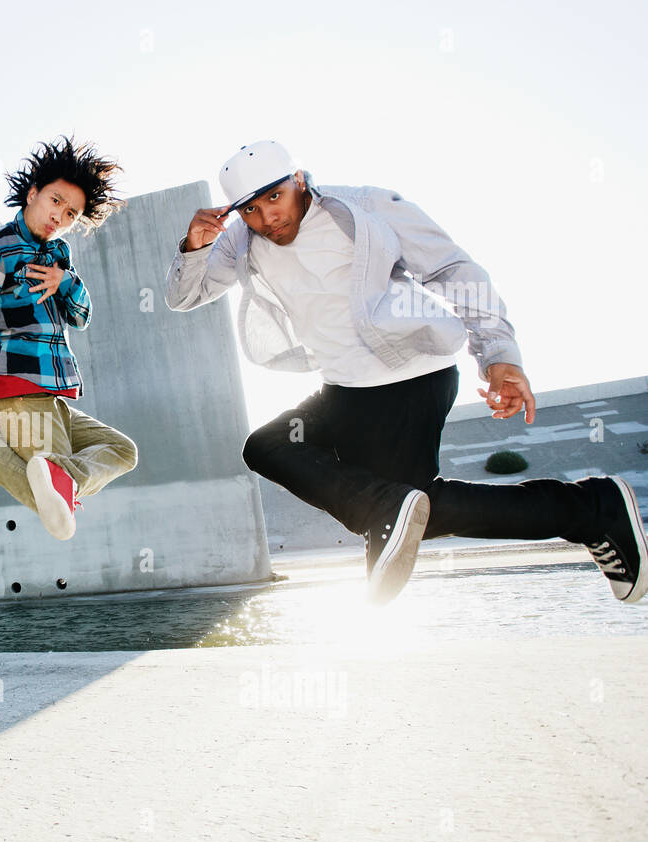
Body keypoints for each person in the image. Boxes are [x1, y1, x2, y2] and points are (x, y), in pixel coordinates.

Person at [165, 140, 646, 604]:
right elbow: (184, 297)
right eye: (251, 209)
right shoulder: (239, 241)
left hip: (413, 374)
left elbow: (452, 269)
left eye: (276, 197)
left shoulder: (368, 208)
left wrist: (499, 352)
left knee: (402, 504)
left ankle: (591, 509)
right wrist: (194, 247)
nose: (269, 218)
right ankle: (588, 509)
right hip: (344, 389)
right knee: (276, 449)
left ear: (297, 179)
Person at [0, 136, 137, 540]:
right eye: (55, 201)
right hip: (18, 387)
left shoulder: (60, 256)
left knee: (122, 451)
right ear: (33, 193)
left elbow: (82, 317)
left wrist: (66, 281)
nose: (60, 216)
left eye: (71, 213)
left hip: (56, 394)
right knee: (60, 522)